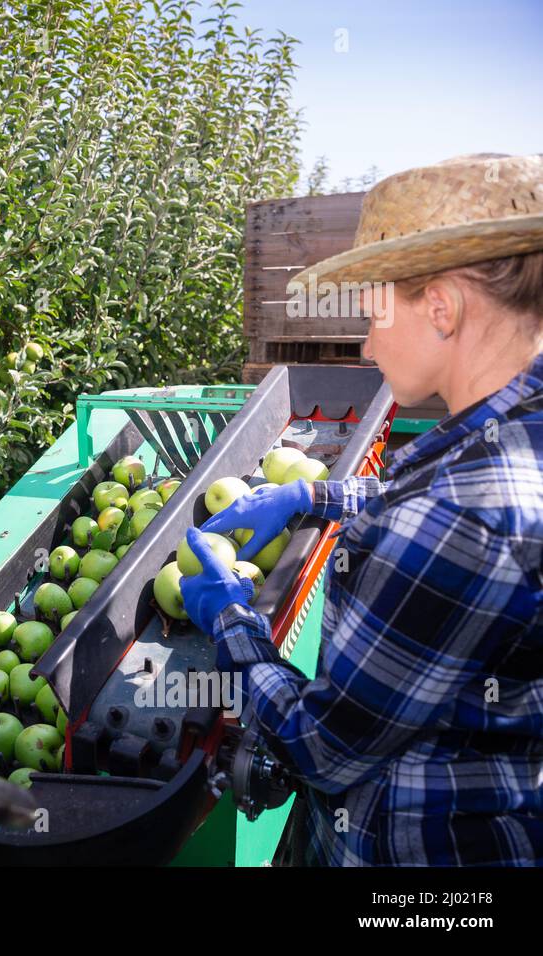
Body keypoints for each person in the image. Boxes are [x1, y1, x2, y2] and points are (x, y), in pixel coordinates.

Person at [181, 153, 543, 865]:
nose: (366, 341)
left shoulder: (463, 515)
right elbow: (441, 504)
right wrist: (309, 494)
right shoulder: (516, 436)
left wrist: (233, 623)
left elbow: (317, 748)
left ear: (442, 308)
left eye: (376, 313)